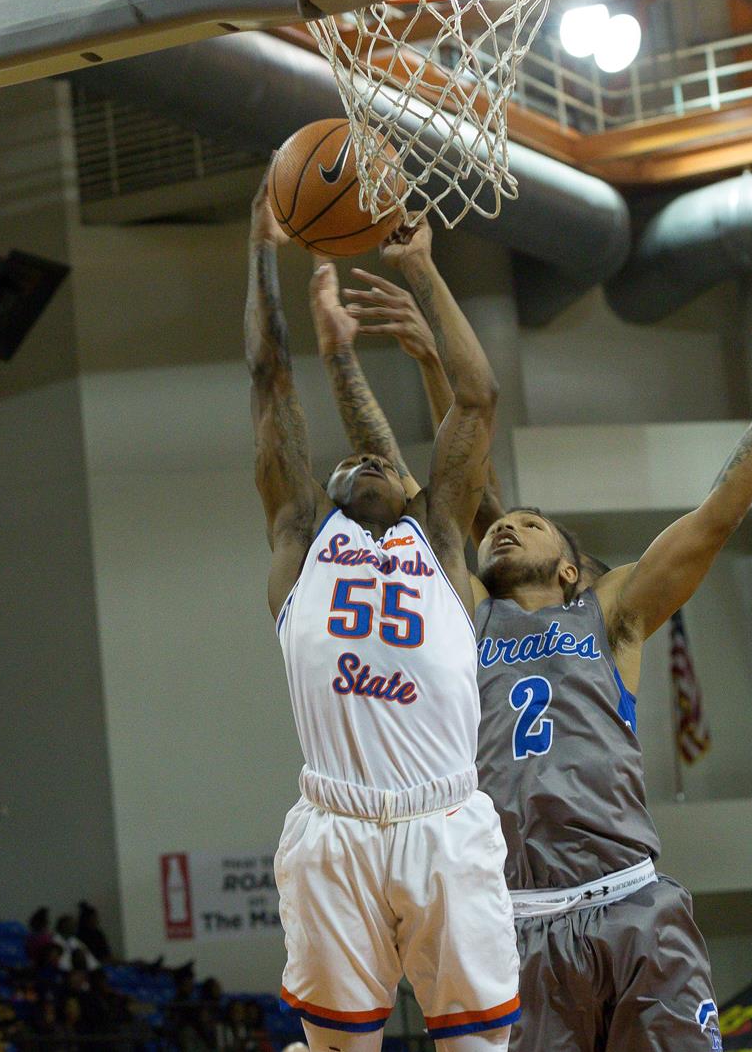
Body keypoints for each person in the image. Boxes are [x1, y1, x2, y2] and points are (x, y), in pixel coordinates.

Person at [326, 233, 752, 1052]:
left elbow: (715, 518)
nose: (506, 528)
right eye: (500, 527)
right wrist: (430, 359)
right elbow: (462, 485)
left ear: (571, 568)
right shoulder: (465, 612)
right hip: (514, 923)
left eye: (528, 524)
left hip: (630, 903)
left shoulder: (609, 615)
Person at [246, 186, 514, 1051]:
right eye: (347, 462)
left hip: (446, 821)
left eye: (381, 460)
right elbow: (268, 379)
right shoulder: (301, 543)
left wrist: (421, 269)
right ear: (322, 492)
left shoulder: (440, 540)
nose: (364, 461)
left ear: (409, 484)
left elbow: (477, 398)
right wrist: (260, 248)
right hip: (334, 825)